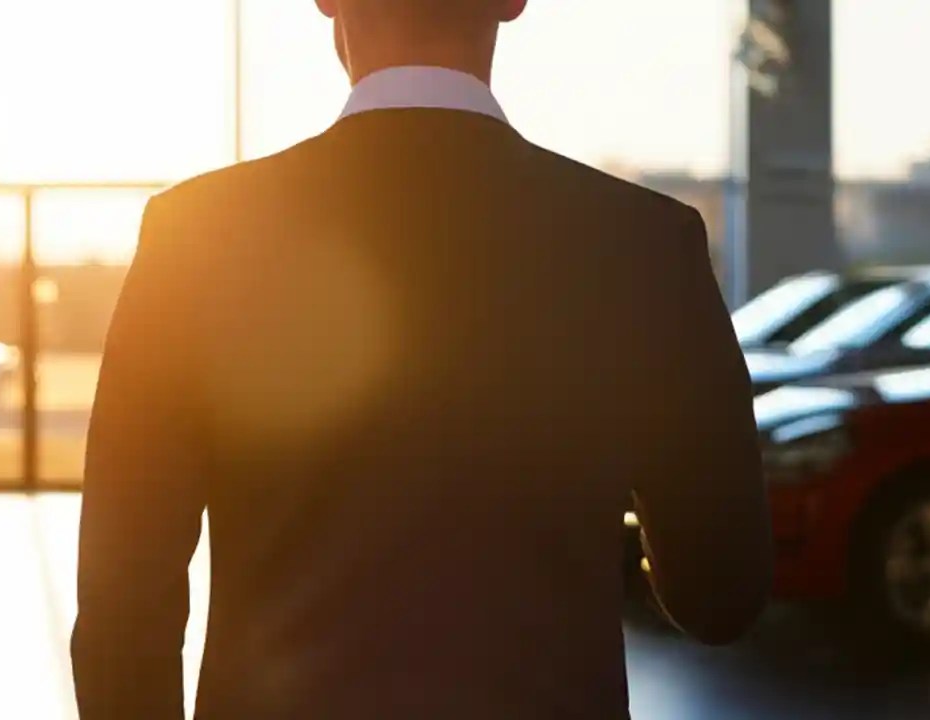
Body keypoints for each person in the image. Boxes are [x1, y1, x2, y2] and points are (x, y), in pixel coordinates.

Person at [72, 1, 772, 718]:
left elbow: (122, 607)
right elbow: (721, 596)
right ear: (513, 1)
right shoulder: (644, 245)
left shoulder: (196, 235)